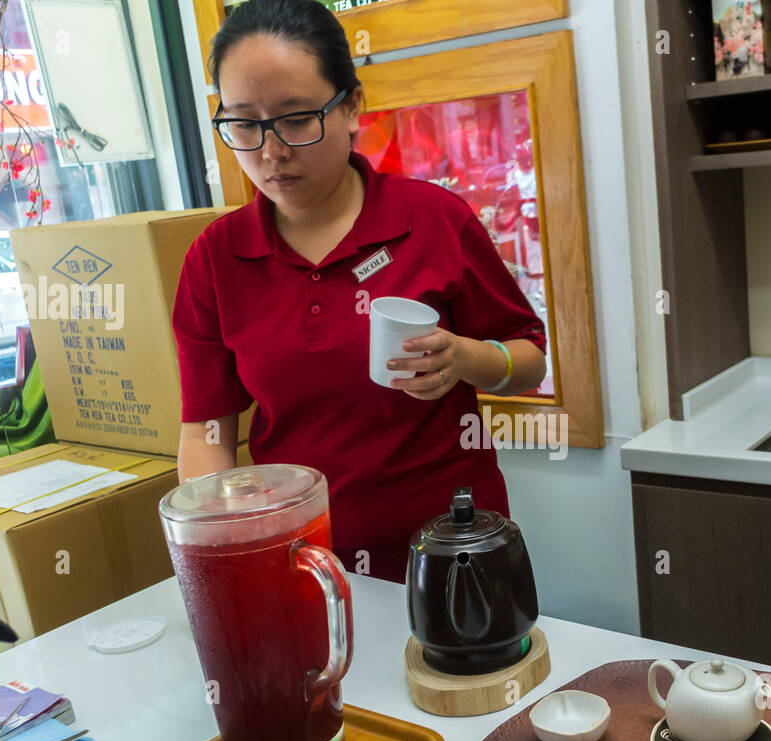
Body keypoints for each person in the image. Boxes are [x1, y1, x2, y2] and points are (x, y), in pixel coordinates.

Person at [173, 0, 547, 584]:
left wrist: (466, 359)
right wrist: (216, 550)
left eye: (297, 119)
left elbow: (527, 358)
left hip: (448, 552)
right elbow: (205, 430)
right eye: (244, 123)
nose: (269, 152)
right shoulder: (215, 260)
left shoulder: (432, 219)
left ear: (351, 107)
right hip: (300, 562)